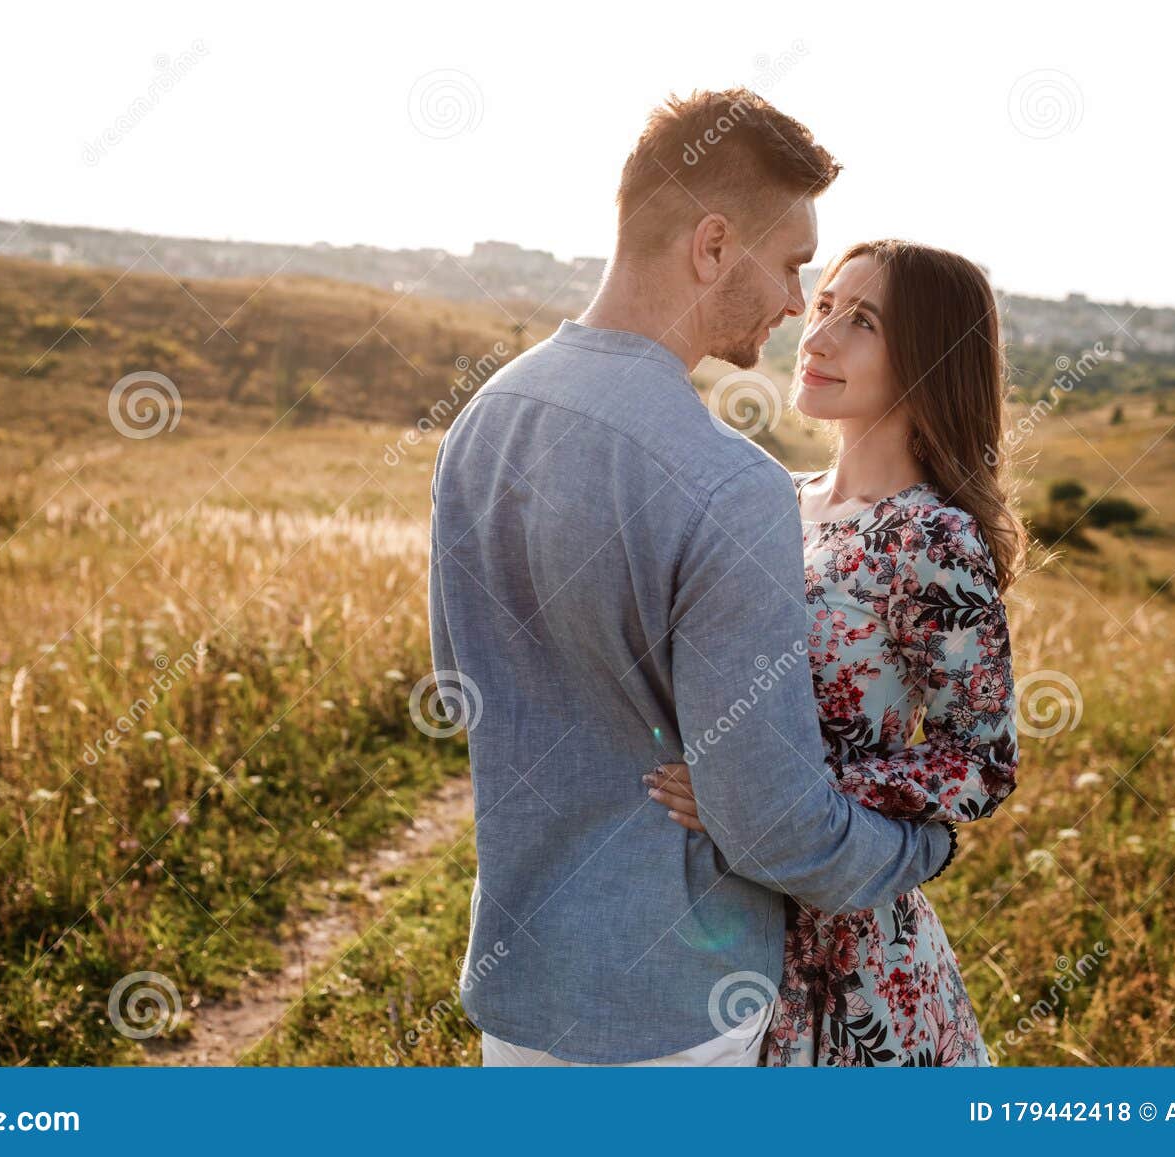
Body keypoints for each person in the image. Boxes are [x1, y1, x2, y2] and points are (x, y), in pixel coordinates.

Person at [427, 90, 953, 1066]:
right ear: (712, 246)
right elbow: (776, 829)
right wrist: (926, 845)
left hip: (517, 988)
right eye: (794, 263)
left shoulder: (484, 418)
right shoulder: (730, 483)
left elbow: (461, 678)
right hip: (675, 1014)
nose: (801, 301)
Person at [645, 239, 1023, 1065]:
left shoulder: (932, 537)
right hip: (713, 924)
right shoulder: (770, 500)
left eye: (862, 322)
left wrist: (778, 795)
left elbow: (981, 762)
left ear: (929, 357)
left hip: (849, 957)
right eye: (822, 307)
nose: (817, 337)